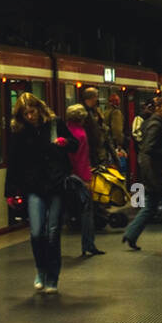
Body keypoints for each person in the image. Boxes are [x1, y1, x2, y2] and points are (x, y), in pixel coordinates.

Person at [5, 92, 75, 293]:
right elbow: (14, 162)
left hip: (55, 185)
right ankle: (40, 269)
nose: (30, 116)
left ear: (39, 108)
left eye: (32, 111)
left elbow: (74, 144)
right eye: (25, 113)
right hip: (33, 187)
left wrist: (65, 142)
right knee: (36, 232)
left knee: (52, 232)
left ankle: (53, 277)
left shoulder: (54, 124)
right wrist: (10, 191)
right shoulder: (19, 132)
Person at [122, 95, 162, 252]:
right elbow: (149, 148)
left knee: (149, 207)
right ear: (158, 108)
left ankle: (131, 234)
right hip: (157, 173)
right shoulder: (156, 126)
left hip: (151, 173)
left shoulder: (151, 123)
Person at [63, 104, 103, 257]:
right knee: (87, 211)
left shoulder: (65, 131)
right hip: (80, 176)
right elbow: (81, 159)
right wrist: (86, 178)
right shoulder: (81, 134)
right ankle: (88, 244)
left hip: (65, 176)